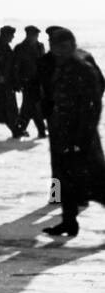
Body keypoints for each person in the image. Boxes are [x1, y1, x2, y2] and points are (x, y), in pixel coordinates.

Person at [40, 29, 105, 238]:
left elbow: (93, 105)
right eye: (51, 45)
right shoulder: (63, 65)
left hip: (80, 135)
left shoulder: (81, 67)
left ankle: (69, 220)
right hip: (63, 131)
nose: (53, 49)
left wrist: (82, 138)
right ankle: (69, 222)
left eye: (57, 45)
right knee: (65, 179)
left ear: (69, 45)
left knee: (96, 184)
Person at [13, 25, 46, 138]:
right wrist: (16, 82)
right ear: (28, 35)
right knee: (31, 105)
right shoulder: (20, 48)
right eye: (33, 35)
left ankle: (20, 129)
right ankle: (39, 130)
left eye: (36, 35)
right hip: (26, 81)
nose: (35, 37)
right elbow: (16, 67)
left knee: (30, 106)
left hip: (38, 81)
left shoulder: (40, 46)